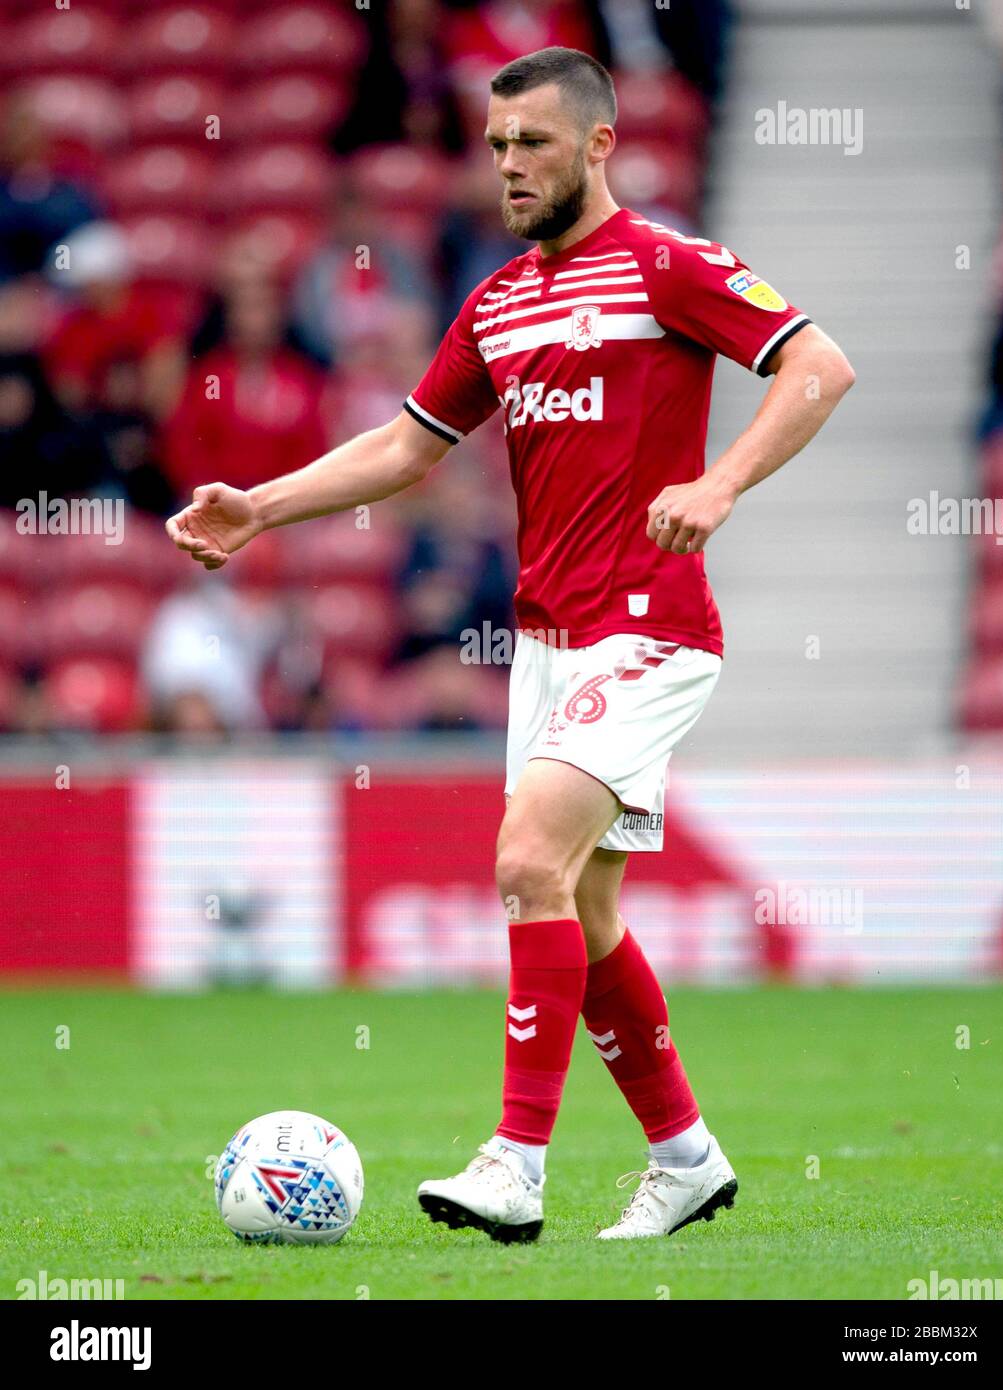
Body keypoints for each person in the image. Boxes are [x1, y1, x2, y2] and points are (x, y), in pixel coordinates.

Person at [166, 46, 854, 1242]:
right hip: (547, 642)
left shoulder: (665, 265)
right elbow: (408, 446)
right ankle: (684, 1156)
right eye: (494, 146)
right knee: (581, 915)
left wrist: (722, 480)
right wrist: (260, 506)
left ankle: (514, 1163)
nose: (509, 166)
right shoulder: (498, 299)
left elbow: (818, 364)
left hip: (647, 622)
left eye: (533, 142)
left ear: (597, 144)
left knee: (525, 857)